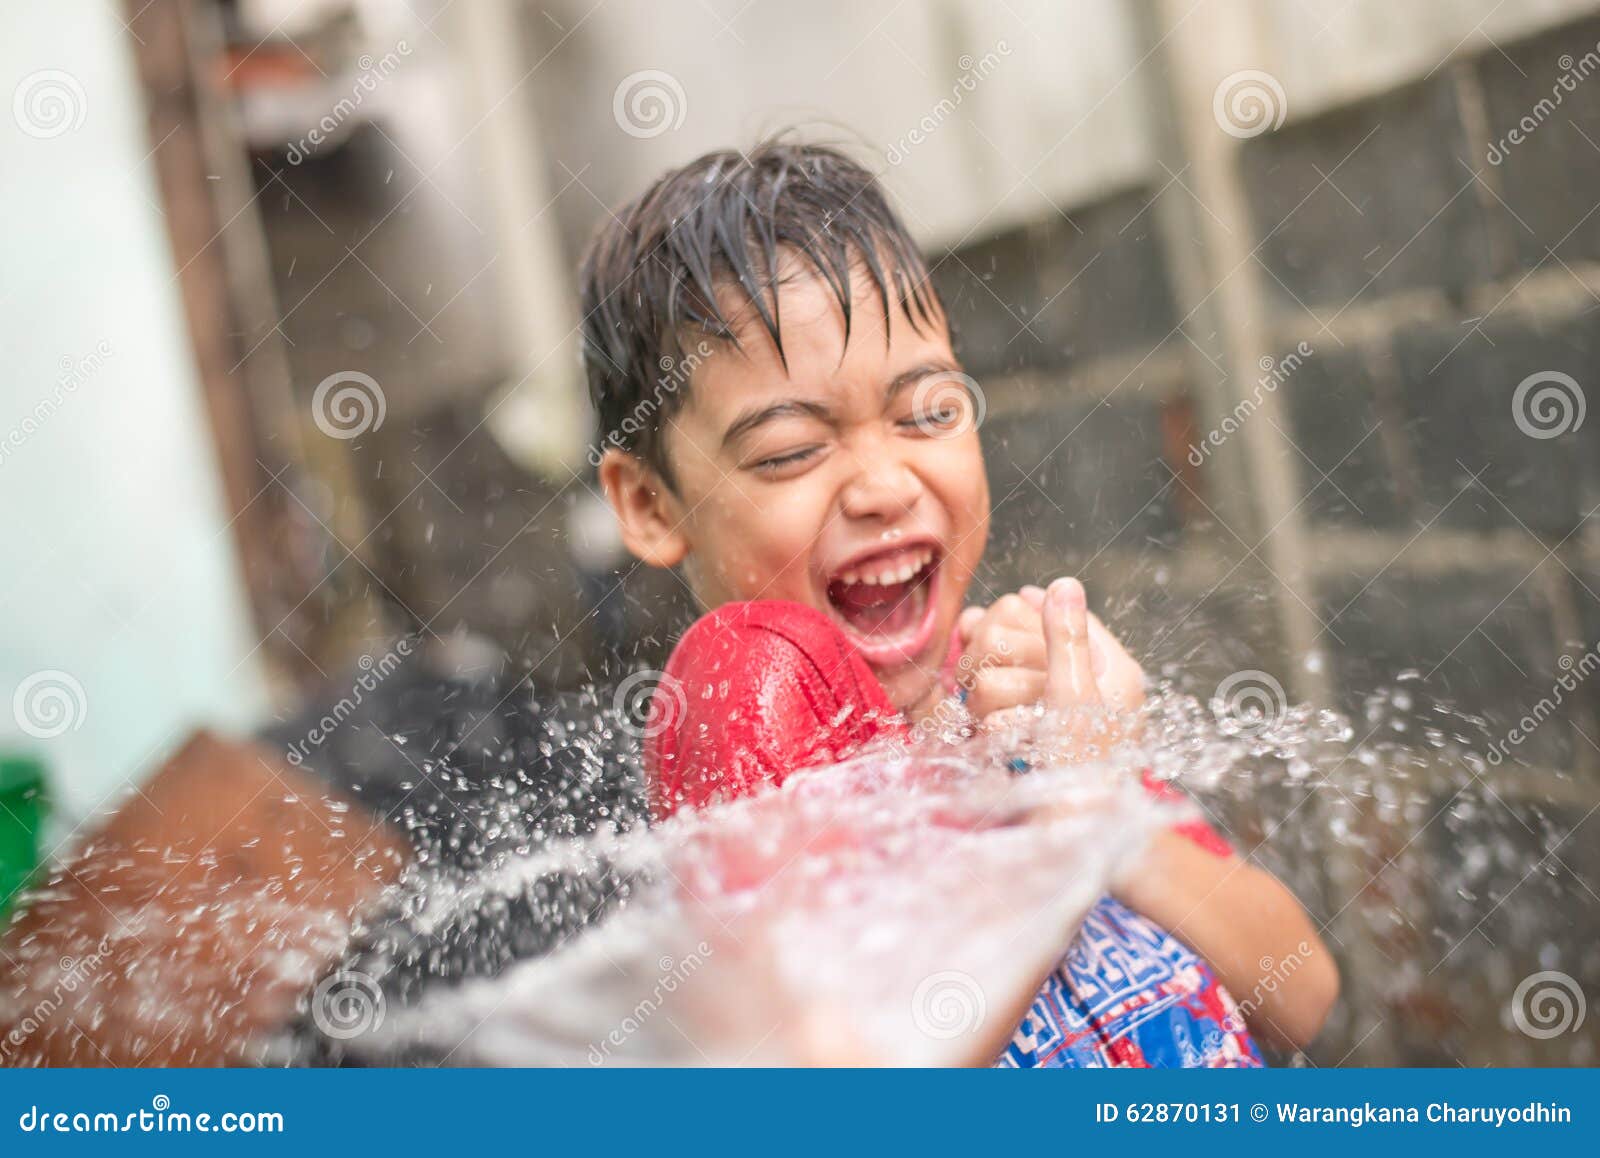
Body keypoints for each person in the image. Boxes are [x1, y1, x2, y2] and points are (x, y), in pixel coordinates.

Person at [581, 137, 1338, 1066]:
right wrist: (1066, 847)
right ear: (650, 504)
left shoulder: (1013, 699)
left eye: (928, 413)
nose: (884, 485)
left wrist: (1106, 810)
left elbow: (1302, 995)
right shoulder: (751, 688)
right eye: (790, 451)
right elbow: (845, 1079)